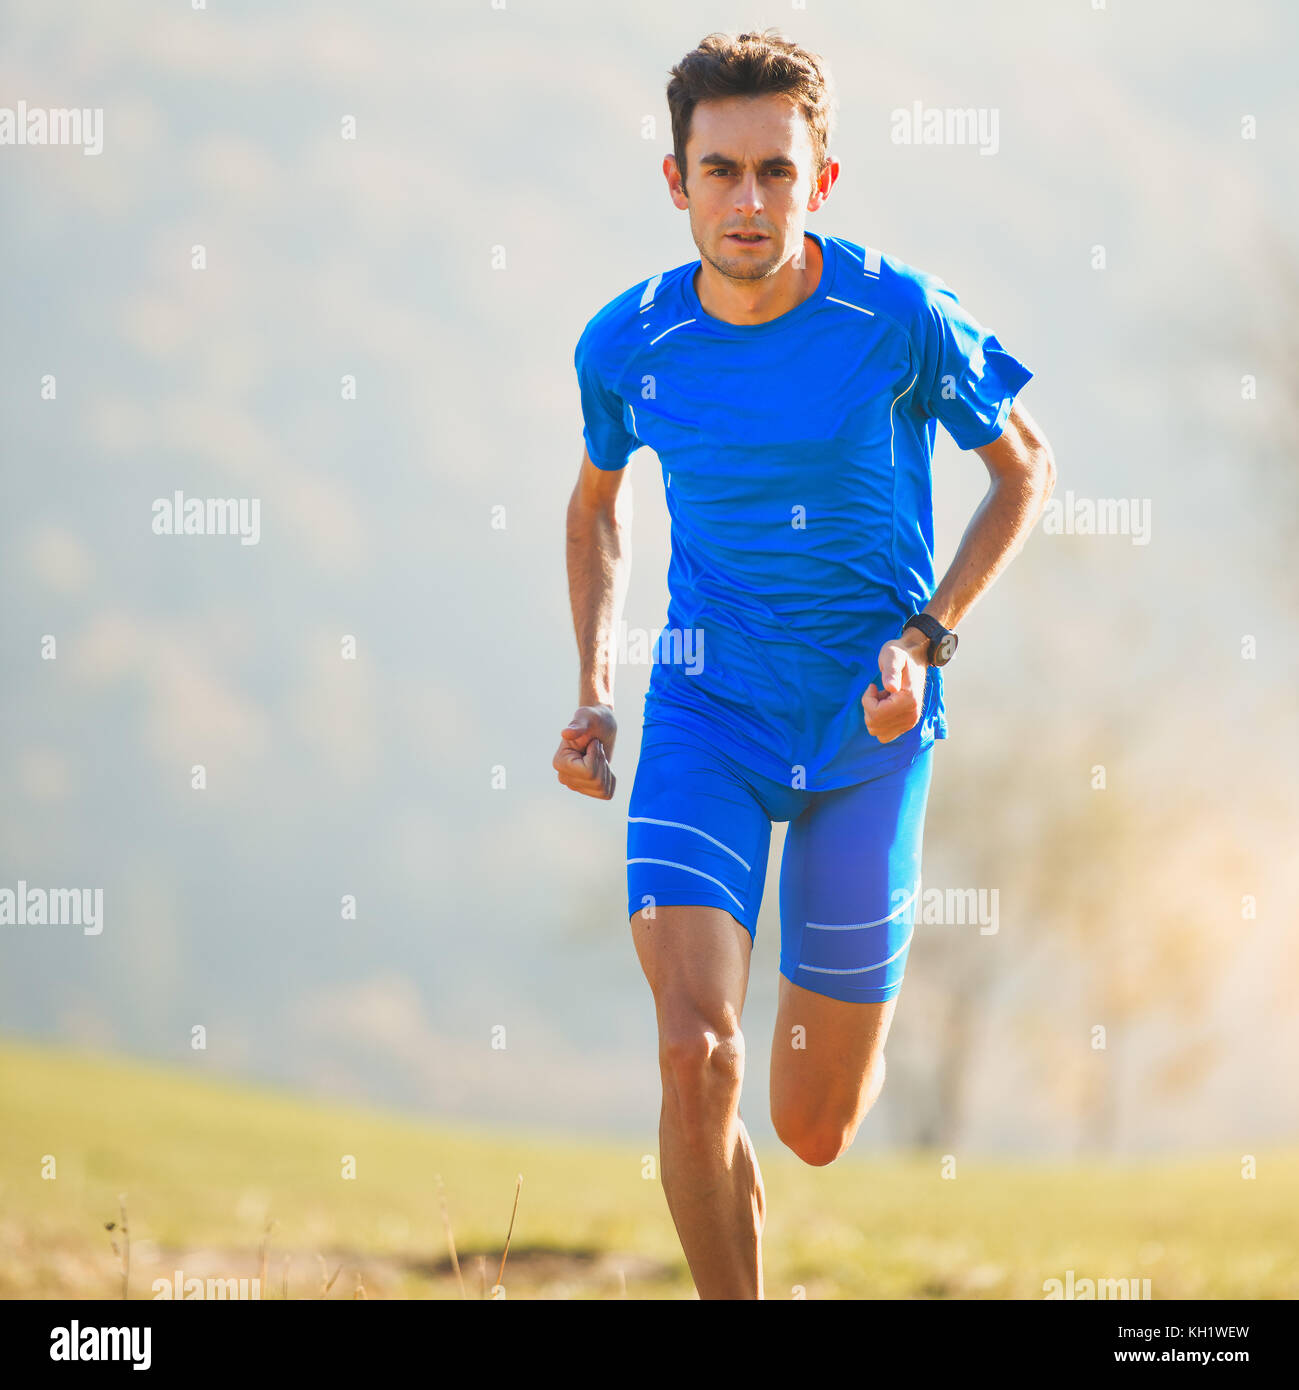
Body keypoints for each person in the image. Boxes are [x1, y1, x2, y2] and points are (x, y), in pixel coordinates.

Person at [555, 28, 1056, 1299]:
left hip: (865, 731)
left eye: (776, 171)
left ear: (820, 179)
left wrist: (928, 634)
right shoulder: (627, 345)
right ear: (676, 182)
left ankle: (778, 1127)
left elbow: (1021, 470)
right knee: (694, 1052)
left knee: (814, 1123)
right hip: (705, 718)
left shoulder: (895, 315)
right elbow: (595, 506)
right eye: (719, 171)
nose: (748, 199)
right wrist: (597, 694)